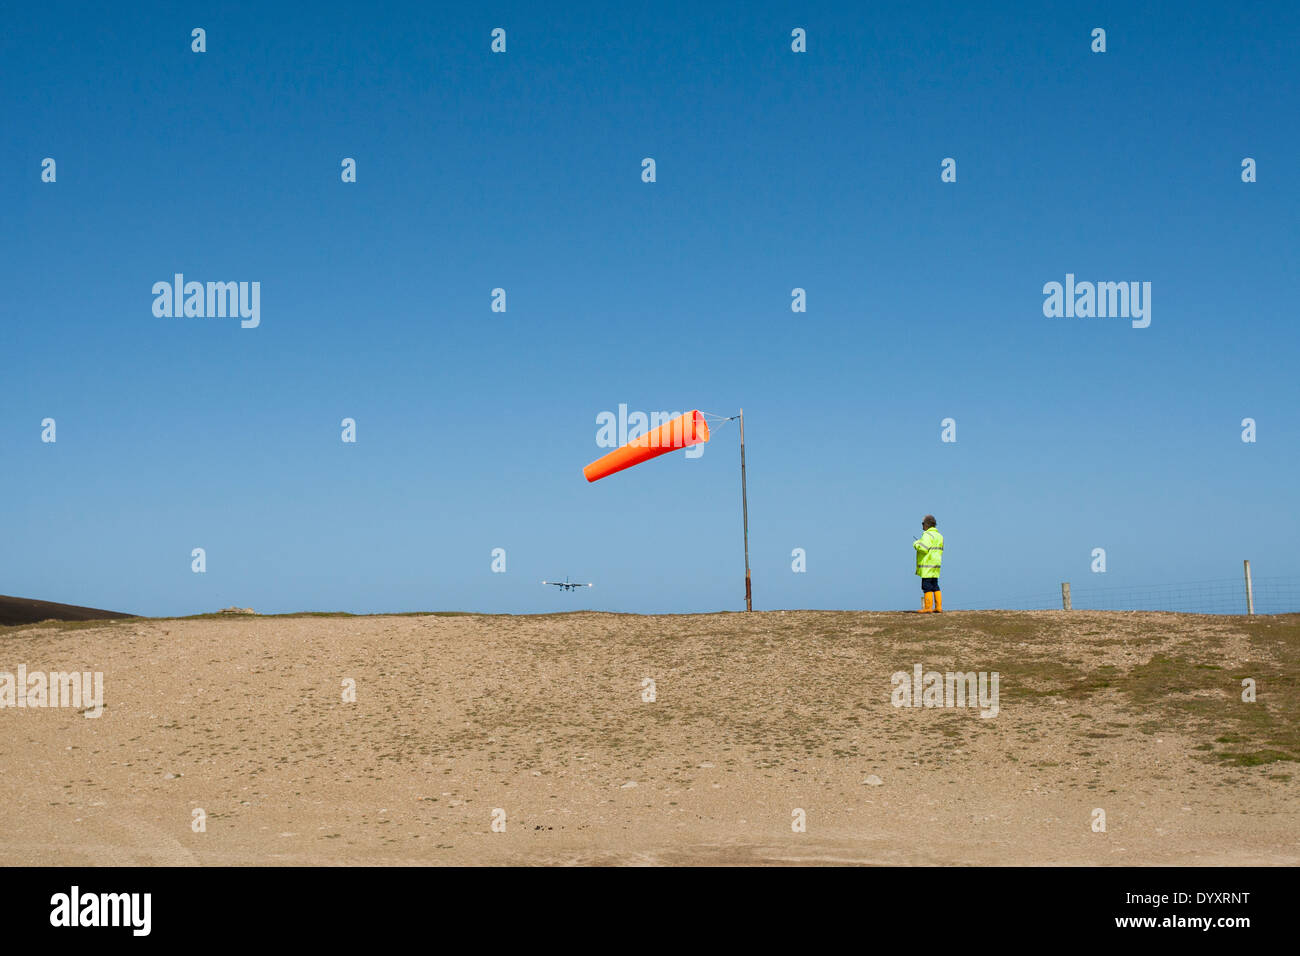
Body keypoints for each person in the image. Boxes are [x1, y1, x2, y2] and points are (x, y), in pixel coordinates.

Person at [913, 515, 944, 613]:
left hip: (927, 565)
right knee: (935, 585)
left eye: (922, 524)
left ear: (926, 524)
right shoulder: (939, 536)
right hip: (936, 565)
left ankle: (928, 608)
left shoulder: (927, 535)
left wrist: (916, 543)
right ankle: (938, 607)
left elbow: (924, 548)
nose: (922, 526)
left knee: (926, 586)